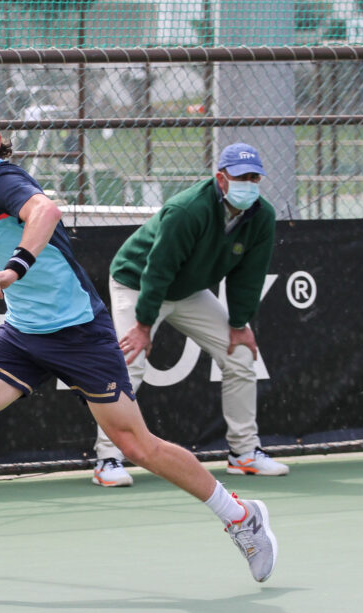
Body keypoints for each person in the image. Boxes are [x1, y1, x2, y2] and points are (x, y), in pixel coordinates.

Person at [0, 102, 278, 586]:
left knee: (137, 445)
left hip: (79, 334)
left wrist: (13, 269)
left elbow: (44, 211)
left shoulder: (4, 179)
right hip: (23, 335)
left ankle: (241, 517)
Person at [90, 142, 287, 488]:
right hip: (137, 281)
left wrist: (239, 324)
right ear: (221, 178)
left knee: (241, 355)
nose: (248, 184)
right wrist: (143, 326)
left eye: (254, 177)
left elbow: (249, 276)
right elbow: (158, 269)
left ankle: (244, 454)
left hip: (188, 289)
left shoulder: (262, 216)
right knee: (130, 361)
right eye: (241, 177)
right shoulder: (186, 210)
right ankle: (108, 459)